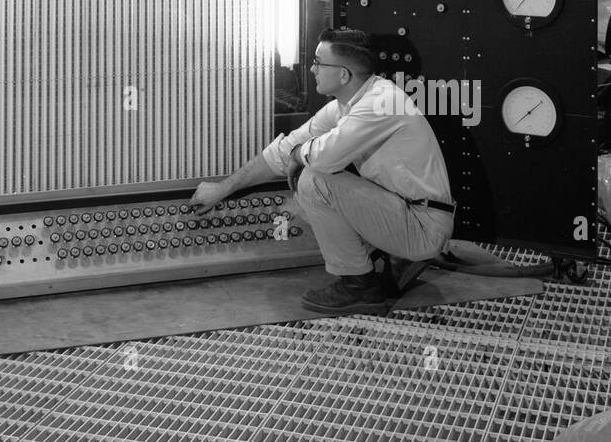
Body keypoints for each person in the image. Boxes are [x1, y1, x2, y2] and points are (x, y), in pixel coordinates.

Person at [189, 27, 455, 316]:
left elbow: (324, 157)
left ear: (343, 75)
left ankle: (360, 286)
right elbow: (282, 151)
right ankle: (396, 257)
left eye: (319, 62)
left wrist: (298, 156)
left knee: (315, 180)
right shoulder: (344, 106)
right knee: (311, 173)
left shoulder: (382, 101)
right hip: (405, 214)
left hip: (422, 225)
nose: (312, 69)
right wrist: (222, 189)